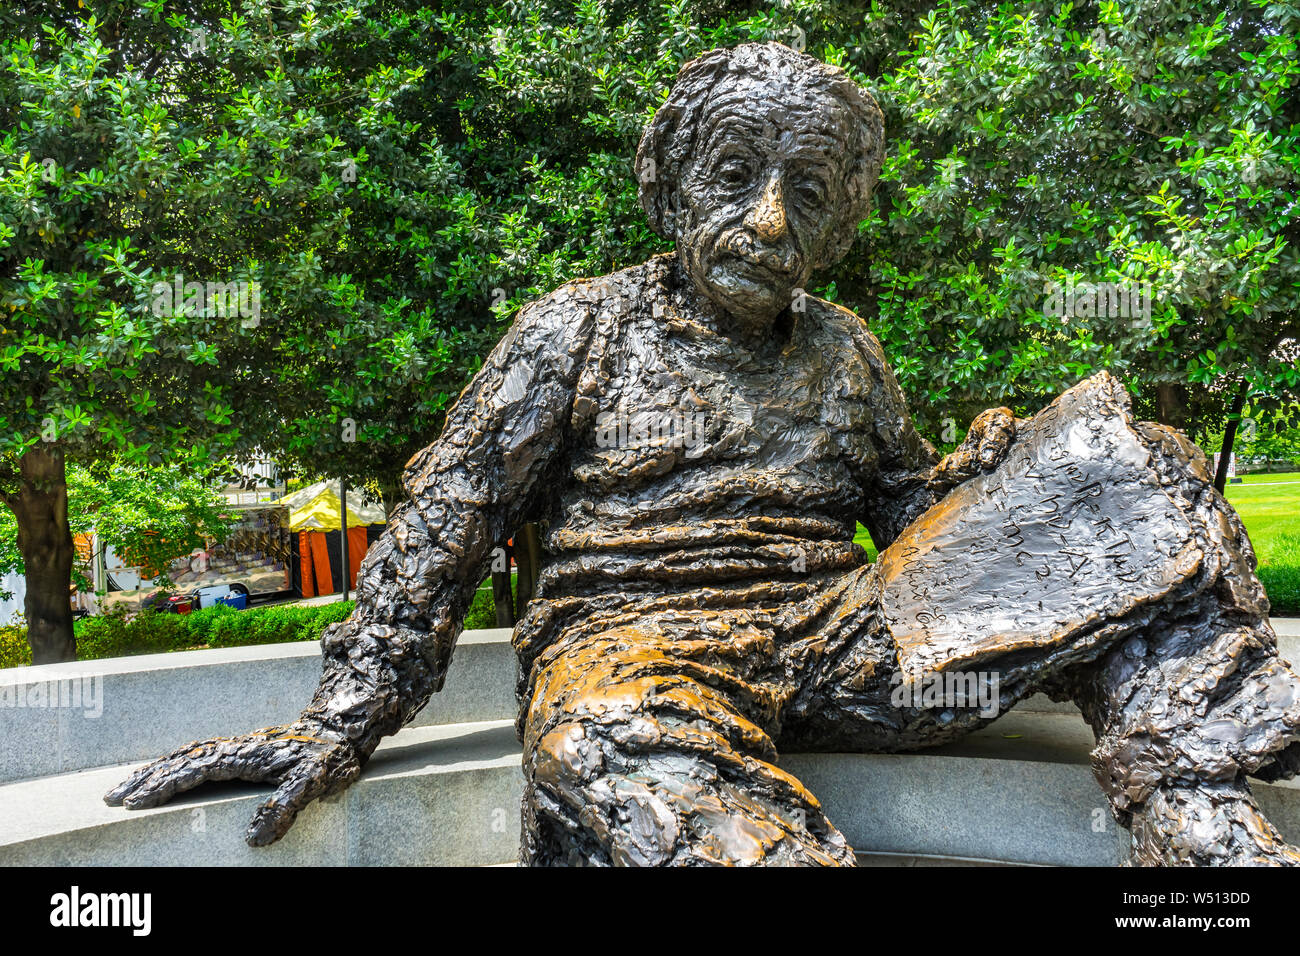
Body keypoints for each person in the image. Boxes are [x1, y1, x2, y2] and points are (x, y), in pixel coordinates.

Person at [108, 42, 1300, 866]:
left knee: (1120, 472)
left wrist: (986, 477)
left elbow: (912, 519)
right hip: (637, 649)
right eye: (736, 177)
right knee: (606, 744)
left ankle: (1192, 807)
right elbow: (447, 516)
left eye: (807, 191)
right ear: (672, 187)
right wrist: (343, 715)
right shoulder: (576, 329)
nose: (768, 220)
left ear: (840, 220)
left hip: (844, 643)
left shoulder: (847, 352)